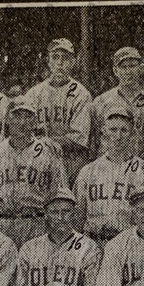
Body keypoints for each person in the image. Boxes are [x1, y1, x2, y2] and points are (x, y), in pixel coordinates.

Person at [0, 98, 67, 251]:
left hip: (36, 225)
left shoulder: (49, 153)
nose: (22, 122)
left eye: (28, 116)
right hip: (0, 225)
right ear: (7, 119)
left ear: (35, 121)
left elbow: (61, 197)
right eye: (17, 116)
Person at [74, 105, 144, 243]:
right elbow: (77, 219)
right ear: (103, 131)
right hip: (93, 242)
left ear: (132, 133)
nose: (118, 136)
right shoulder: (88, 171)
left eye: (124, 130)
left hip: (130, 244)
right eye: (113, 130)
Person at [24, 38, 93, 185]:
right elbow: (24, 132)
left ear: (73, 62)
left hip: (70, 165)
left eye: (65, 58)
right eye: (55, 57)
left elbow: (79, 139)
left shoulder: (81, 94)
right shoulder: (34, 93)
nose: (60, 63)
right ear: (48, 61)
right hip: (39, 165)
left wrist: (47, 140)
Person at [91, 46, 144, 159]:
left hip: (138, 170)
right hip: (107, 169)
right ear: (115, 71)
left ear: (141, 68)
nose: (128, 71)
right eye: (123, 67)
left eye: (132, 66)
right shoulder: (101, 102)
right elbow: (93, 143)